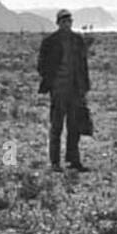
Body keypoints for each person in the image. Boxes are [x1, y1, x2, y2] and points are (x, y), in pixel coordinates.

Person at [37, 9, 91, 171]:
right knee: (57, 126)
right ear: (58, 23)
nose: (66, 24)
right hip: (58, 90)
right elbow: (41, 65)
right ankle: (54, 162)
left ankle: (73, 160)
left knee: (74, 127)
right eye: (63, 21)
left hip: (75, 89)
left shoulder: (78, 40)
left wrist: (84, 86)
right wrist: (51, 82)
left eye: (69, 21)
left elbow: (83, 65)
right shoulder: (49, 41)